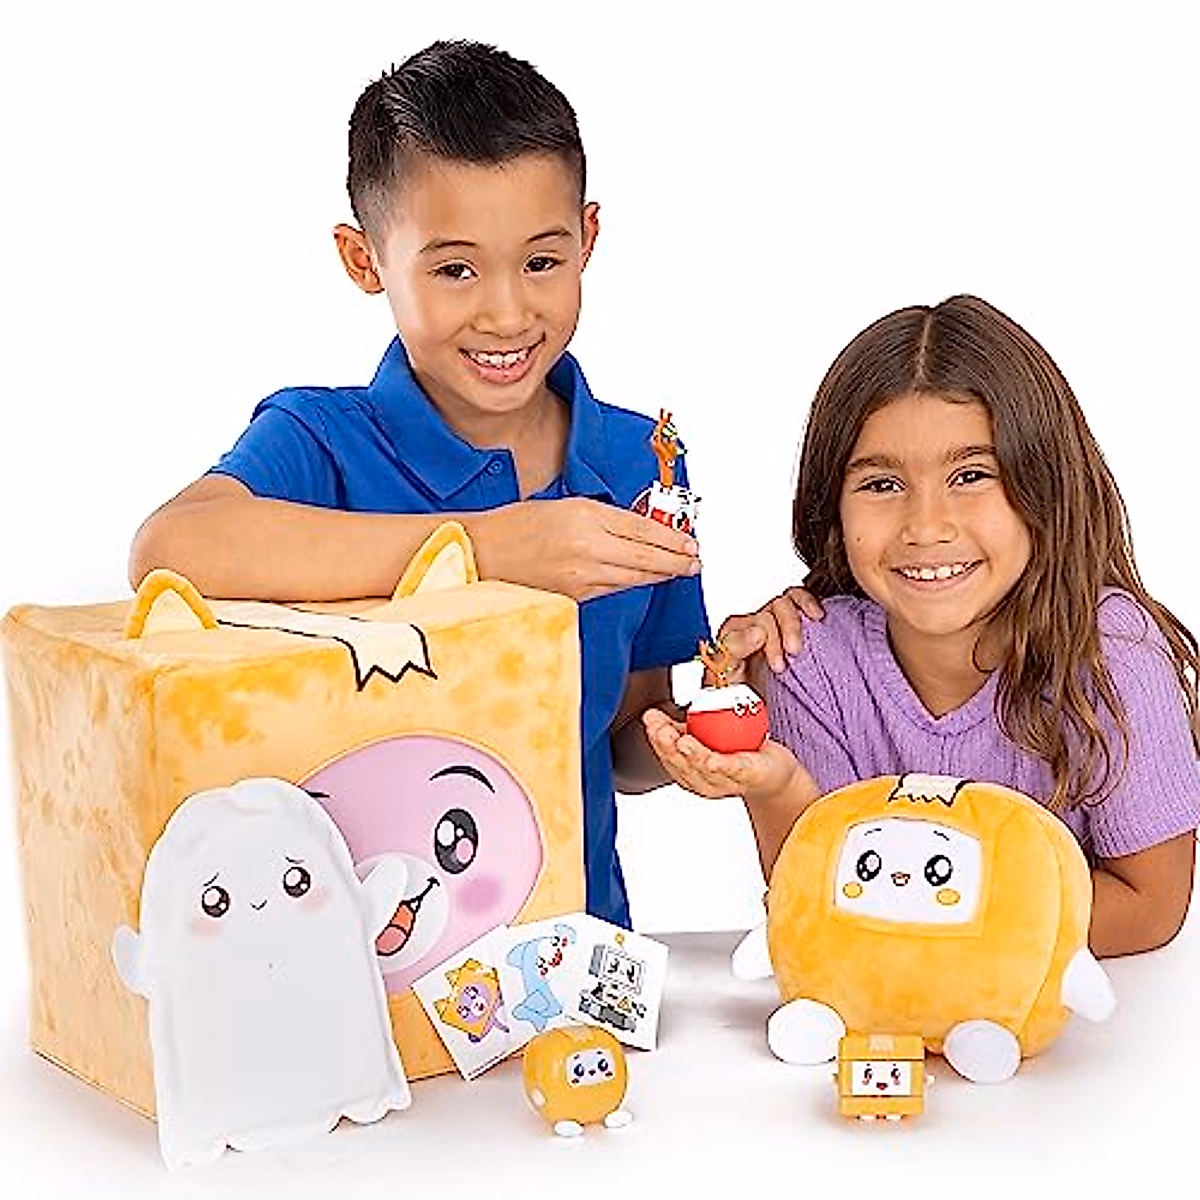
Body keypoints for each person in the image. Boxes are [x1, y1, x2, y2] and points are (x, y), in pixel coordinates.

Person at [128, 40, 709, 929]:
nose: (507, 313)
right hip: (362, 966)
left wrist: (711, 728)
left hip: (573, 952)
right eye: (454, 270)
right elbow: (171, 548)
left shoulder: (641, 462)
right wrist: (486, 550)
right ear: (364, 259)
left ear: (587, 239)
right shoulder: (323, 440)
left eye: (541, 262)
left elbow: (625, 745)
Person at [645, 294, 1199, 958]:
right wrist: (776, 786)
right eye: (882, 485)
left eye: (972, 475)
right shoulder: (808, 659)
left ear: (1046, 486)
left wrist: (927, 941)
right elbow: (813, 905)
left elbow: (1150, 907)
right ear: (831, 506)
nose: (926, 527)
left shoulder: (1110, 652)